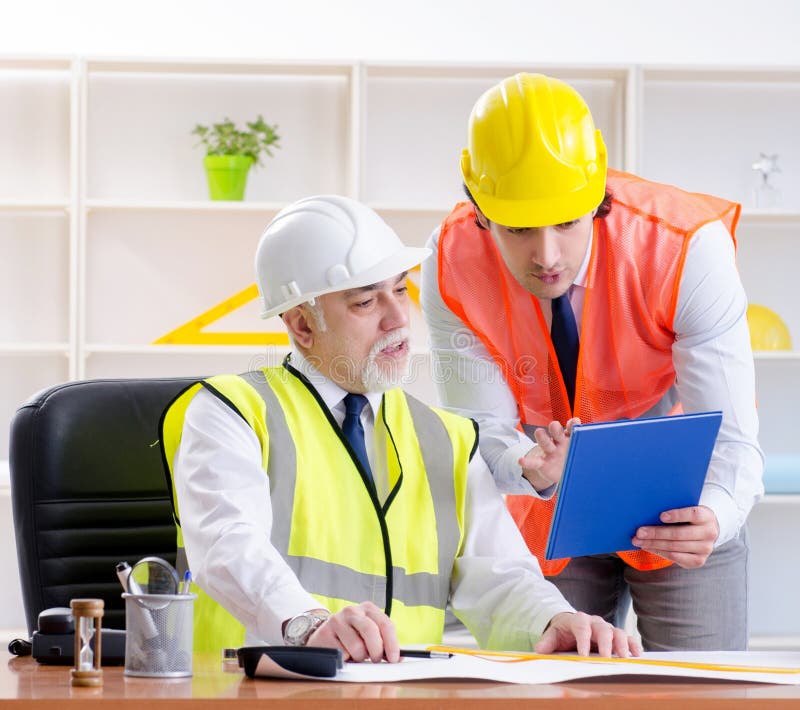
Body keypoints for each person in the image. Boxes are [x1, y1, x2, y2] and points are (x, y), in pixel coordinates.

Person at [160, 195, 640, 661]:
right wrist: (308, 626)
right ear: (302, 325)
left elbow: (499, 575)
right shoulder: (232, 412)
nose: (398, 319)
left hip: (399, 690)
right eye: (366, 302)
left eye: (400, 290)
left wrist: (553, 620)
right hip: (251, 686)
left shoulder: (447, 438)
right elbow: (227, 546)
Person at [420, 73, 764, 651]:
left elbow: (731, 436)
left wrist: (716, 516)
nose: (547, 255)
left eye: (567, 221)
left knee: (702, 687)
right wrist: (529, 467)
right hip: (547, 500)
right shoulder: (451, 259)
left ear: (598, 195)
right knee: (552, 679)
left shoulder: (685, 246)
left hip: (680, 497)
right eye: (519, 229)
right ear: (480, 209)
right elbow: (480, 429)